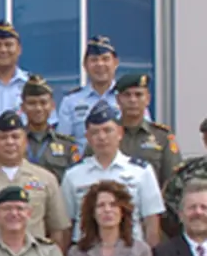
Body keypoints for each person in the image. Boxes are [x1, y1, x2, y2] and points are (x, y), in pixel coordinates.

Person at [61, 102, 163, 246]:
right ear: (88, 138)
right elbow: (66, 224)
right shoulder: (73, 175)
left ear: (120, 133)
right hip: (86, 254)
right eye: (95, 132)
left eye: (107, 130)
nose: (102, 137)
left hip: (130, 251)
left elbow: (151, 221)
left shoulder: (141, 171)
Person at [0, 112, 71, 248]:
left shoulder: (46, 178)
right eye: (3, 138)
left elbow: (58, 228)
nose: (10, 142)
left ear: (25, 141)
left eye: (15, 137)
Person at [111, 73, 181, 188]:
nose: (132, 100)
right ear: (118, 100)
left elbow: (173, 179)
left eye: (138, 95)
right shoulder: (103, 134)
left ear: (148, 99)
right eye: (127, 95)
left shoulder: (162, 137)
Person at [56, 35, 126, 150]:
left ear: (116, 62)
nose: (100, 64)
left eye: (105, 59)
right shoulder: (71, 101)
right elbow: (64, 143)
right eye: (94, 60)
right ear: (85, 65)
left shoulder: (128, 97)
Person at [20, 75, 81, 183]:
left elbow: (76, 180)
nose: (38, 108)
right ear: (22, 107)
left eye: (43, 103)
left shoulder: (67, 145)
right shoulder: (13, 142)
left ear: (52, 106)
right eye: (32, 103)